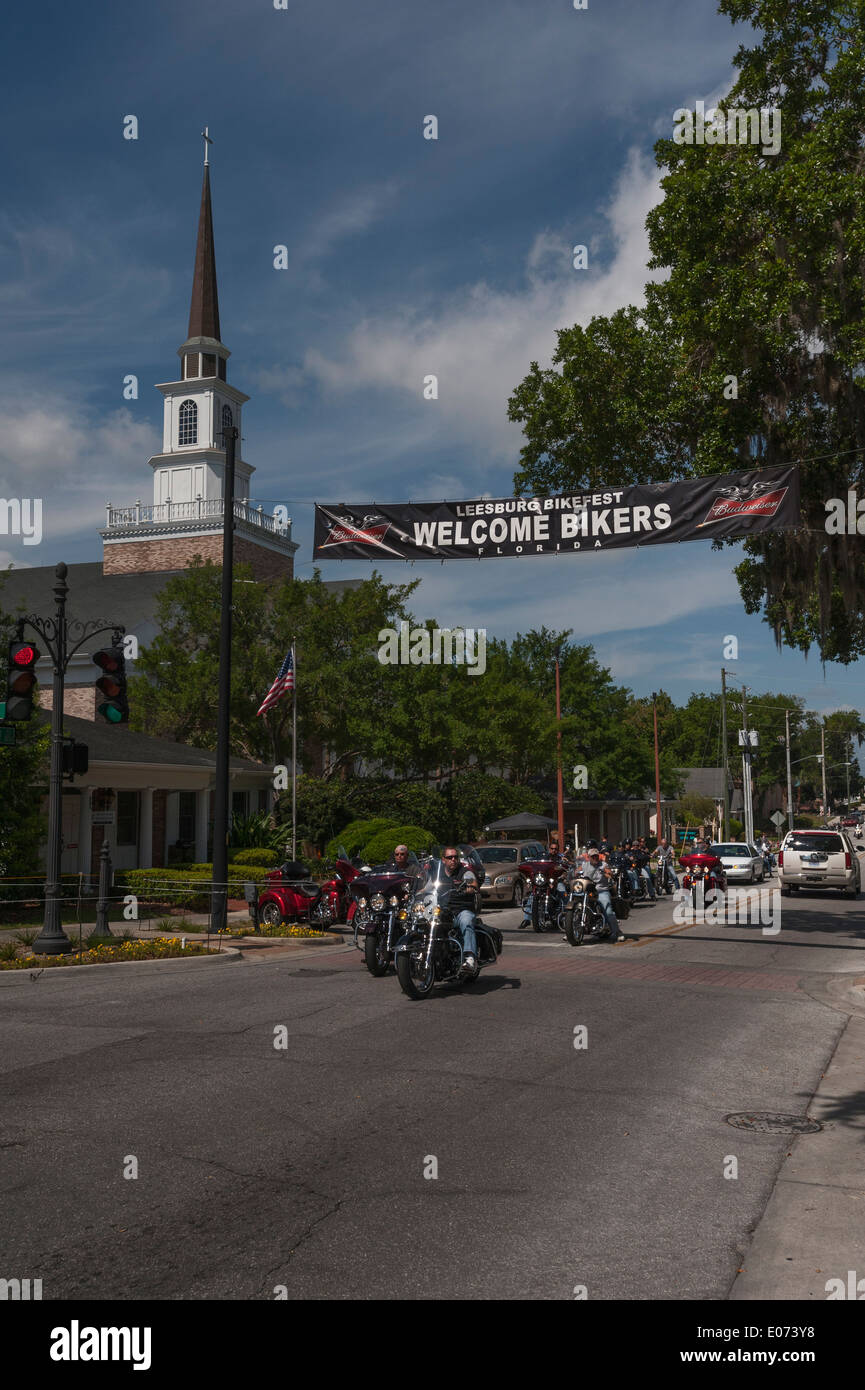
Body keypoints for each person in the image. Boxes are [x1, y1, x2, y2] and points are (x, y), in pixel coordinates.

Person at [573, 847, 625, 942]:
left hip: (601, 891)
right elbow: (576, 871)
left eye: (596, 856)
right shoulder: (585, 865)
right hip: (587, 891)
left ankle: (617, 932)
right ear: (588, 857)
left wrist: (608, 873)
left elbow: (608, 871)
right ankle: (571, 932)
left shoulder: (603, 865)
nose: (595, 858)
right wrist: (574, 873)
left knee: (608, 911)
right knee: (575, 905)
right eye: (593, 857)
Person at [442, 846, 480, 972]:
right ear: (443, 860)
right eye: (449, 857)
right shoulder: (439, 874)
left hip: (461, 910)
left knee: (466, 921)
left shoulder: (464, 872)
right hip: (443, 911)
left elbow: (472, 882)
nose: (453, 859)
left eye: (455, 857)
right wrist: (418, 892)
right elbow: (427, 887)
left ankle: (470, 958)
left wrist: (471, 886)